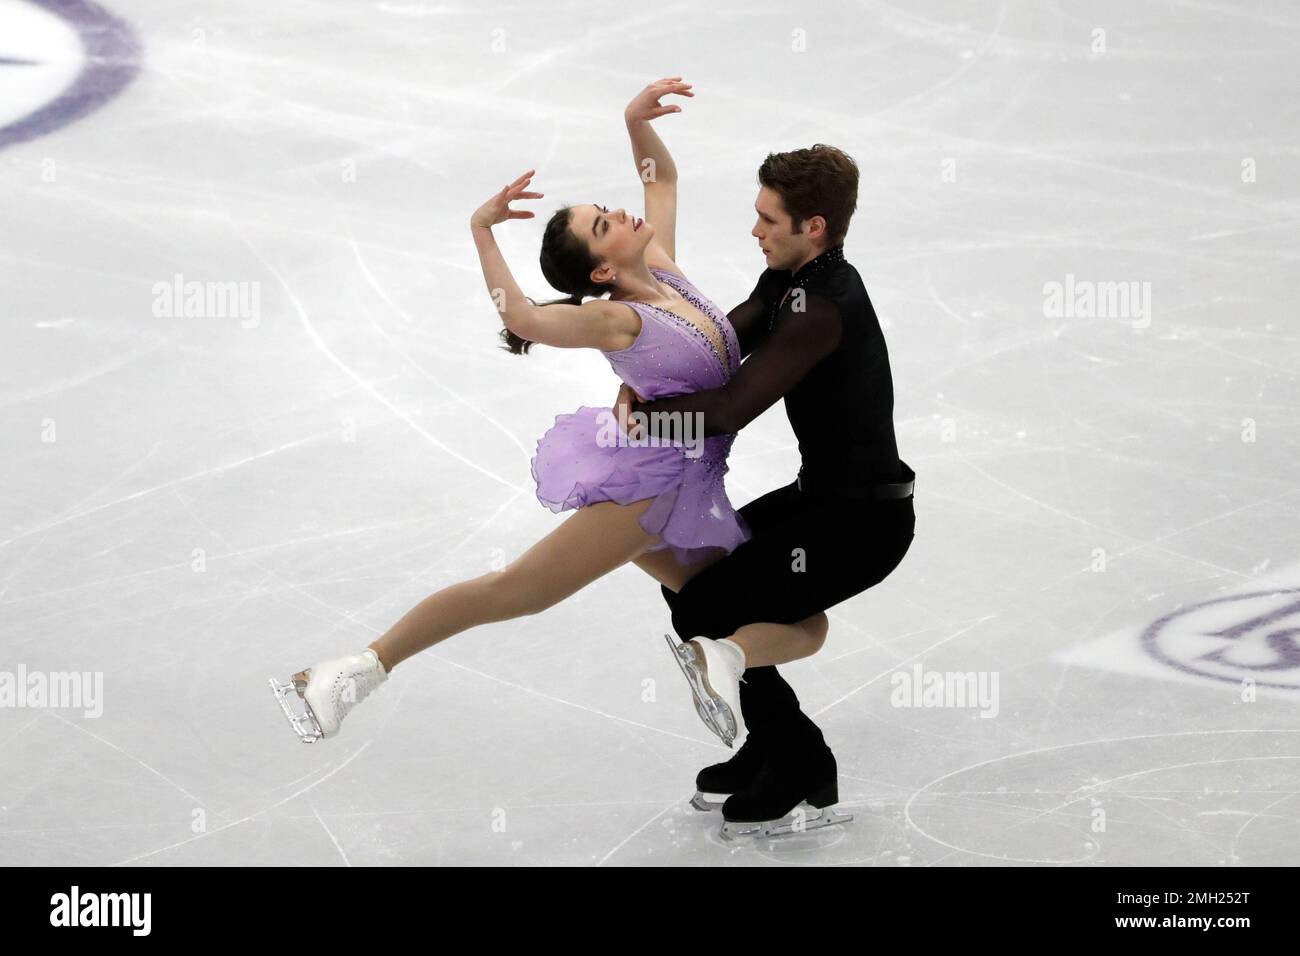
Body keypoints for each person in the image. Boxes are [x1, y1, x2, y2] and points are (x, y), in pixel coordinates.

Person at [269, 80, 831, 765]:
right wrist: (481, 231)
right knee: (518, 591)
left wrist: (634, 122)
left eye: (605, 211)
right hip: (649, 495)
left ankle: (732, 674)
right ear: (601, 268)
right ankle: (354, 672)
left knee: (803, 619)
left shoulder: (663, 273)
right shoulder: (618, 319)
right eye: (605, 225)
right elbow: (525, 318)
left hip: (693, 489)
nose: (621, 215)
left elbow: (662, 181)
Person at [617, 144, 917, 838]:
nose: (756, 231)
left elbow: (729, 406)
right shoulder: (790, 281)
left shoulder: (823, 307)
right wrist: (649, 362)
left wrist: (644, 418)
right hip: (820, 501)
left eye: (768, 220)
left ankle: (800, 764)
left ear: (813, 227)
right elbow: (726, 338)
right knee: (695, 582)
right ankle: (775, 743)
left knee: (709, 603)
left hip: (861, 528)